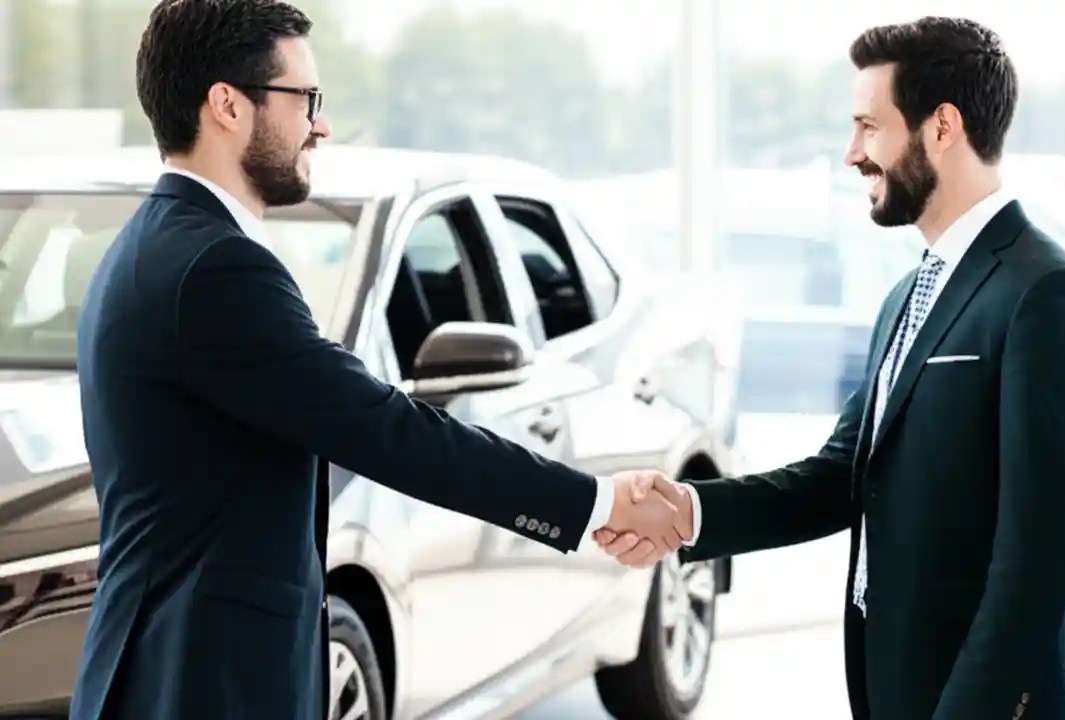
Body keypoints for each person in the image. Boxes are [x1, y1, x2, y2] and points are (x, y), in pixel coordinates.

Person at [68, 1, 682, 718]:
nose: (320, 125)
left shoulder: (148, 246)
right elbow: (388, 430)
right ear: (228, 106)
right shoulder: (216, 267)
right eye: (306, 99)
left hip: (164, 665)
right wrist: (600, 503)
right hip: (204, 679)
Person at [597, 16, 1065, 720]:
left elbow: (1042, 550)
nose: (852, 154)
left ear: (942, 127)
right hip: (895, 678)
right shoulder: (909, 295)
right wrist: (689, 511)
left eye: (869, 127)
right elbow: (844, 476)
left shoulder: (1045, 293)